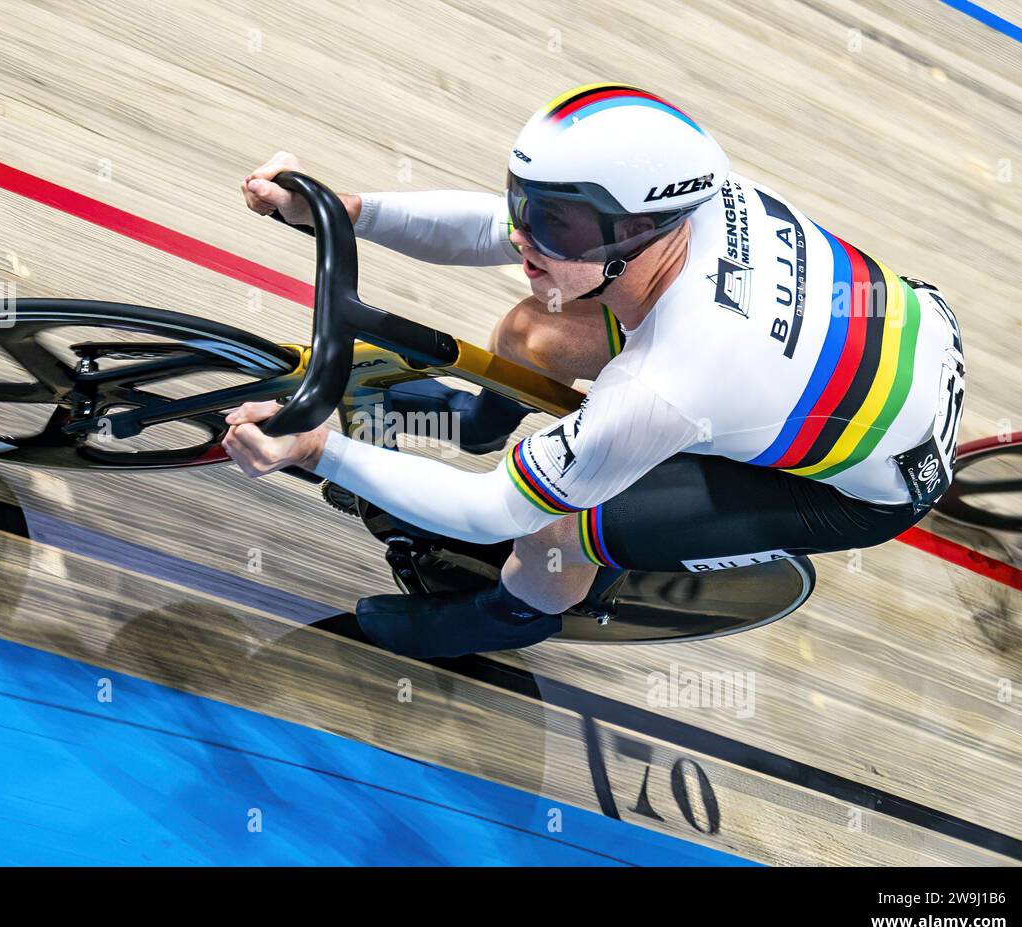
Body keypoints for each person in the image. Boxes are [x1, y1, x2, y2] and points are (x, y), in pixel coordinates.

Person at [225, 83, 966, 658]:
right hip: (860, 350)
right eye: (529, 201)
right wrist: (342, 208)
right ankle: (484, 421)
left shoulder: (668, 383)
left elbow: (494, 513)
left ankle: (515, 616)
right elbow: (493, 229)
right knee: (532, 330)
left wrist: (318, 449)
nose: (522, 231)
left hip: (869, 483)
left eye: (555, 223)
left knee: (556, 529)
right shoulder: (683, 207)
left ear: (638, 232)